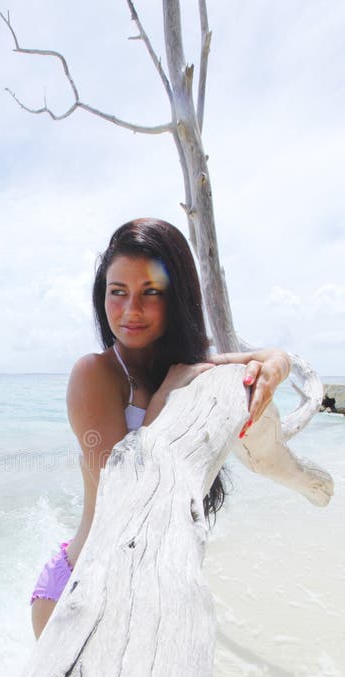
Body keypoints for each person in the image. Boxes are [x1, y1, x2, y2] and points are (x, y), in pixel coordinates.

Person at [30, 218, 290, 639]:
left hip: (141, 588)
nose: (131, 310)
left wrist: (276, 365)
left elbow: (262, 356)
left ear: (178, 299)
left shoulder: (182, 364)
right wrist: (168, 393)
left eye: (150, 293)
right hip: (78, 589)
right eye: (118, 292)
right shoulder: (95, 373)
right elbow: (125, 493)